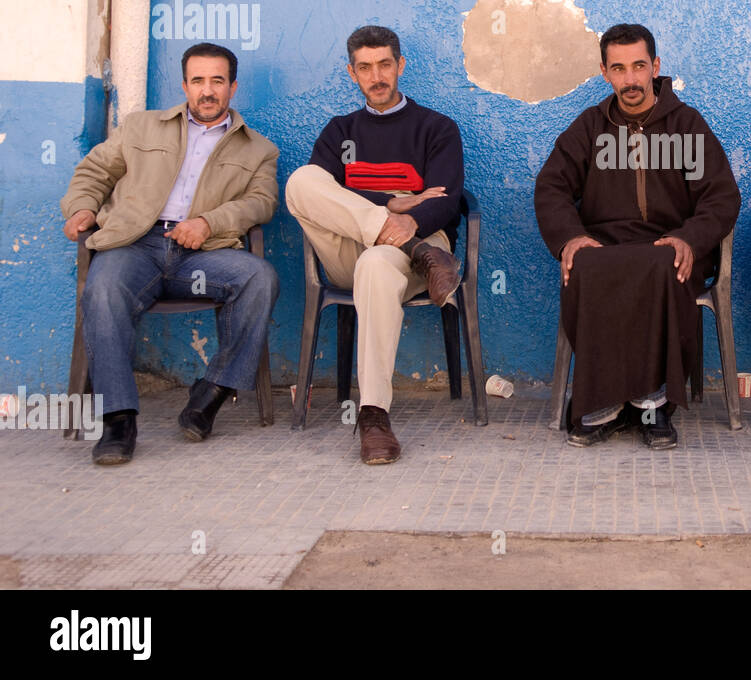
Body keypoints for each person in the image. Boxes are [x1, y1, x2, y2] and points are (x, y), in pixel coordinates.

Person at [60, 42, 279, 465]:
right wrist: (82, 207)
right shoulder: (141, 127)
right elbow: (95, 171)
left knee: (260, 277)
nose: (207, 90)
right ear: (184, 85)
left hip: (201, 253)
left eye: (217, 81)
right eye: (198, 81)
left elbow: (261, 202)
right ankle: (119, 418)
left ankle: (211, 392)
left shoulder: (259, 149)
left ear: (233, 87)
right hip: (135, 246)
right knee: (102, 289)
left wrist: (210, 222)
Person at [534, 23, 740, 449]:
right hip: (604, 247)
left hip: (669, 246)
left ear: (655, 67)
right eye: (619, 69)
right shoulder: (590, 127)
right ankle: (601, 404)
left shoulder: (686, 125)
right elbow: (551, 187)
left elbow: (721, 197)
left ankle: (653, 403)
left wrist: (689, 238)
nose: (630, 79)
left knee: (660, 263)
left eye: (638, 67)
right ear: (605, 73)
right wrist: (570, 237)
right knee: (586, 264)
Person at [285, 26, 463, 465]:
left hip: (413, 261)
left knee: (379, 264)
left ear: (400, 66)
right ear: (352, 73)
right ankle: (411, 246)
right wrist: (391, 206)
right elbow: (318, 198)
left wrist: (414, 214)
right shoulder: (339, 131)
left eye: (385, 64)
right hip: (358, 248)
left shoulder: (435, 128)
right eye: (365, 67)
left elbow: (446, 201)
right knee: (301, 180)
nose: (377, 75)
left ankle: (373, 414)